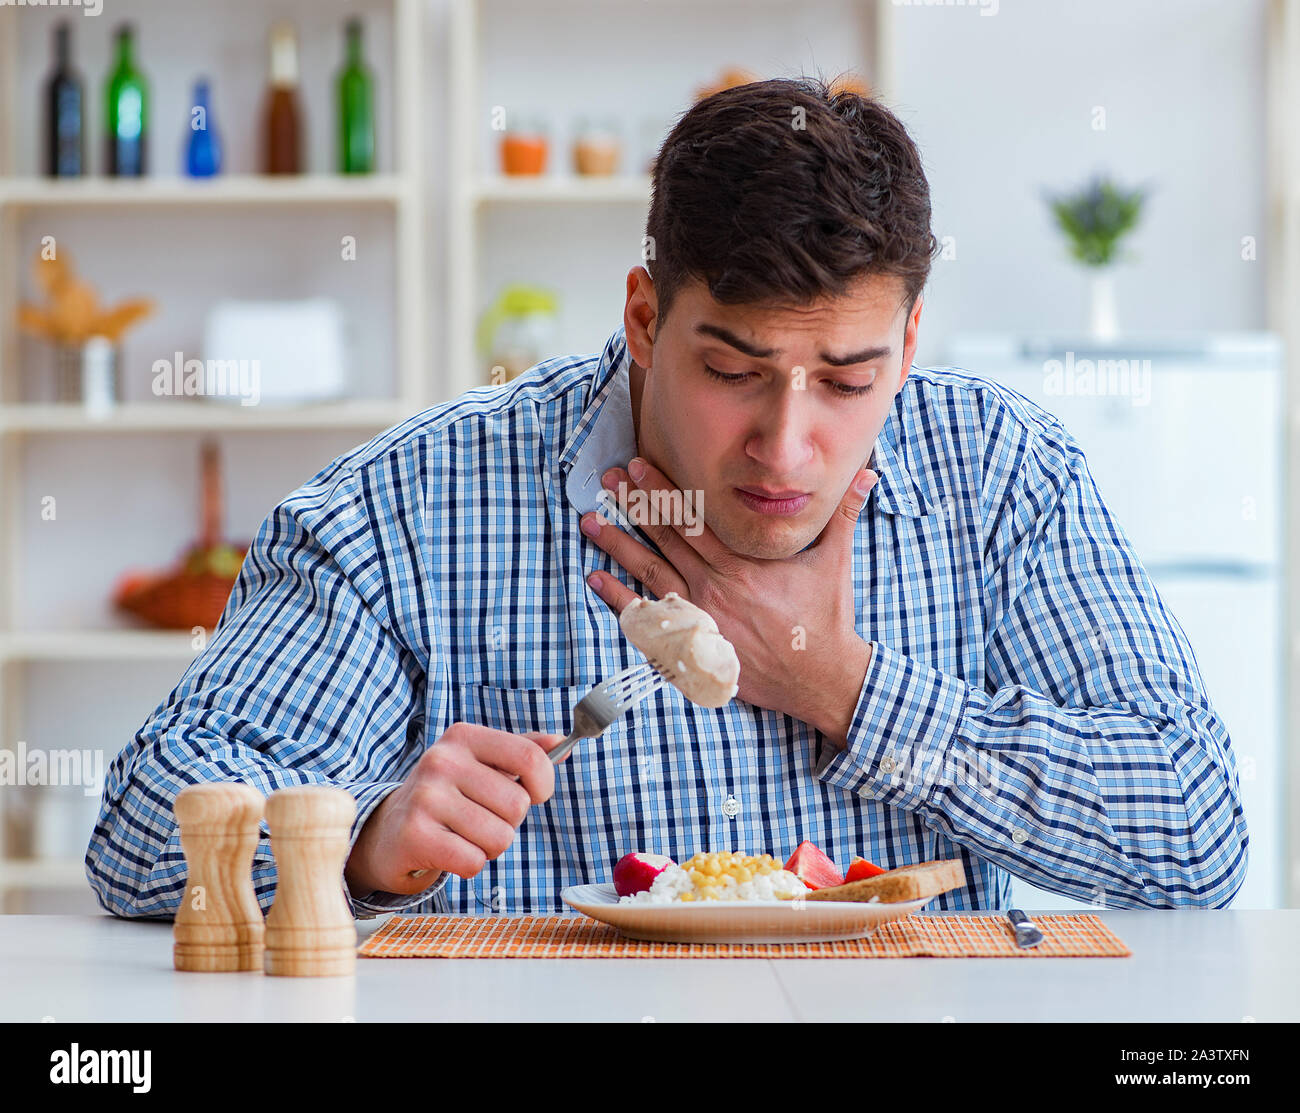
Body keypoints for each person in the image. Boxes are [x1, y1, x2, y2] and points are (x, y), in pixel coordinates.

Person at [88, 77, 1247, 918]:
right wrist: (355, 842)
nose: (785, 446)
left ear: (907, 343)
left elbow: (1196, 835)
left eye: (848, 380)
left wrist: (840, 685)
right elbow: (141, 833)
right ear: (644, 318)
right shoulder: (406, 507)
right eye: (734, 372)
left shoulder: (997, 475)